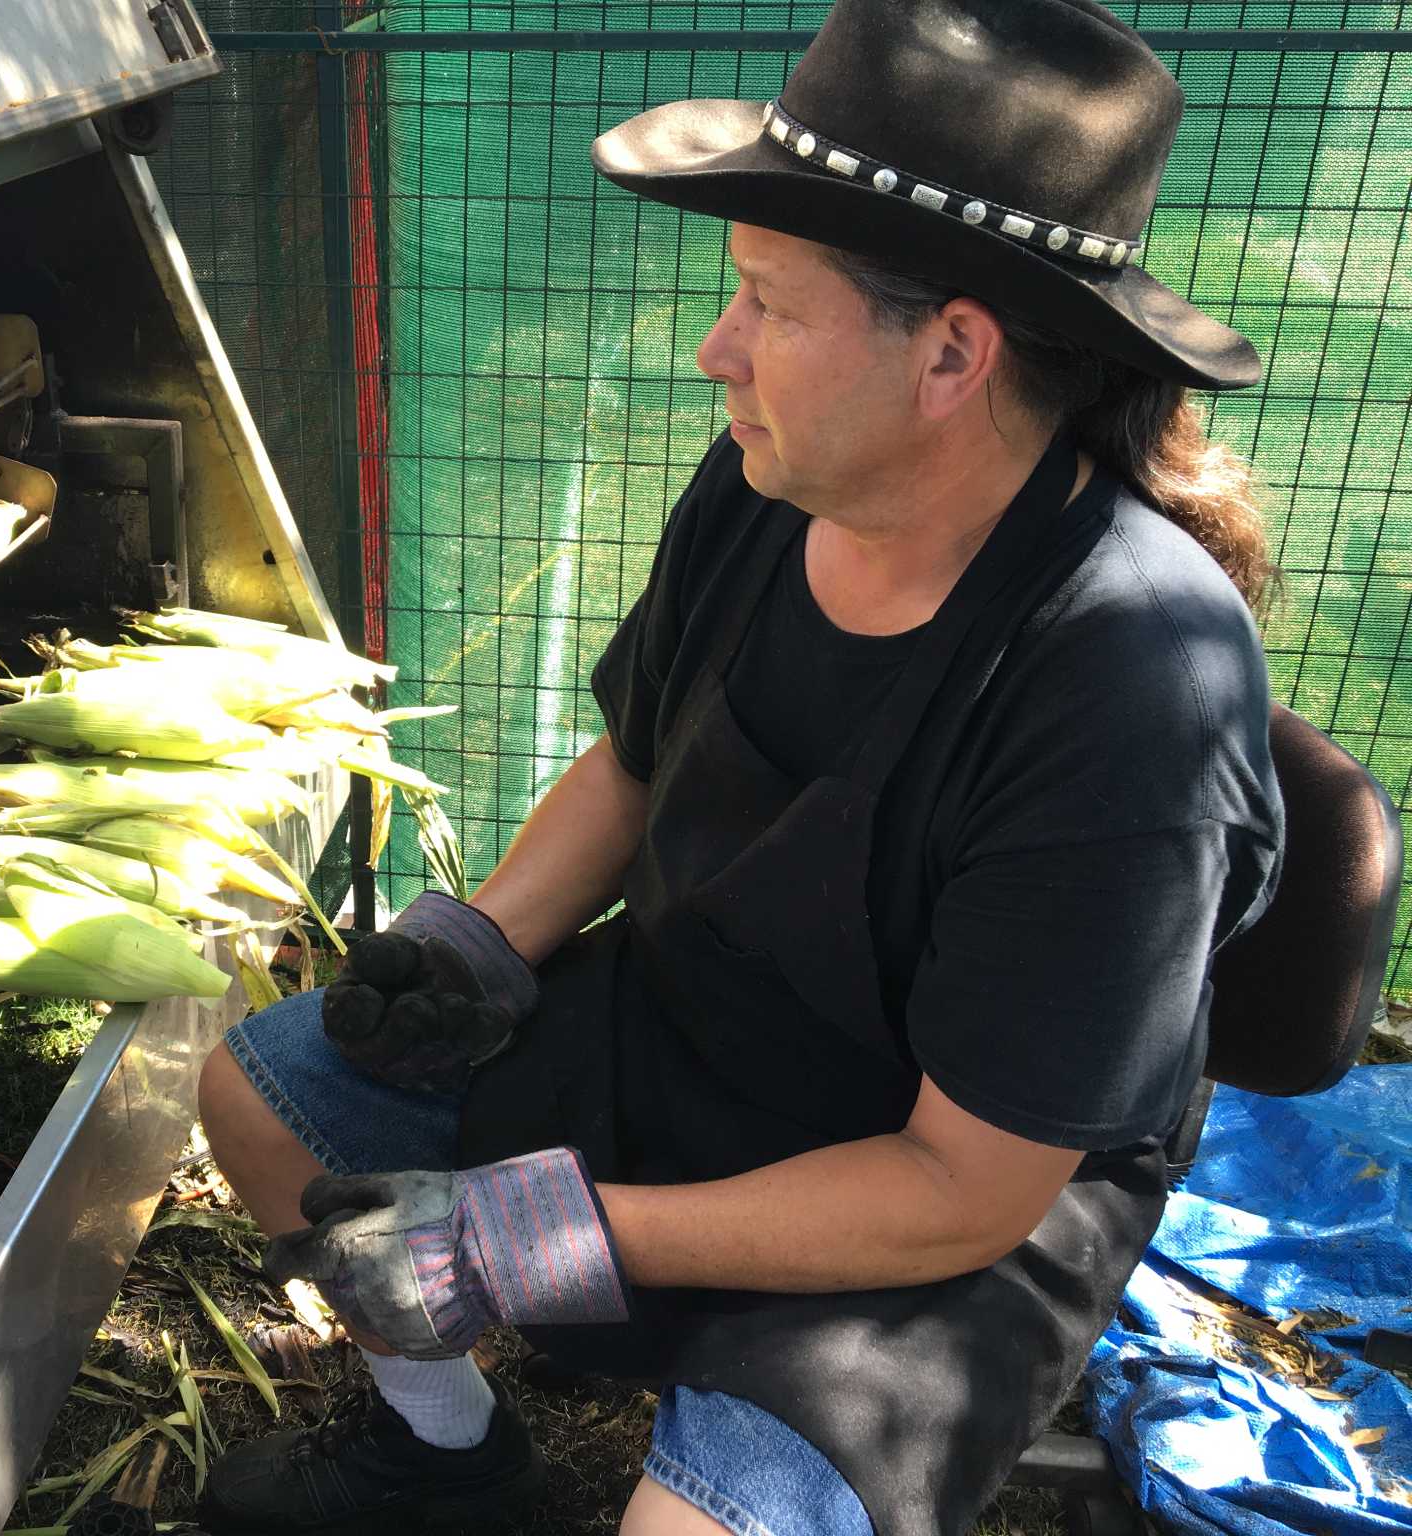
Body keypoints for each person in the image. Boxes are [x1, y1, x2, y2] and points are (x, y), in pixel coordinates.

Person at [196, 1, 1285, 1532]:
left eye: (770, 306)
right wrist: (487, 936)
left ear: (953, 353)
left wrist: (538, 1238)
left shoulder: (1122, 685)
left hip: (943, 1199)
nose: (719, 352)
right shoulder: (770, 483)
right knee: (266, 1098)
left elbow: (960, 1190)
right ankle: (445, 1460)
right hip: (699, 1029)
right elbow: (640, 760)